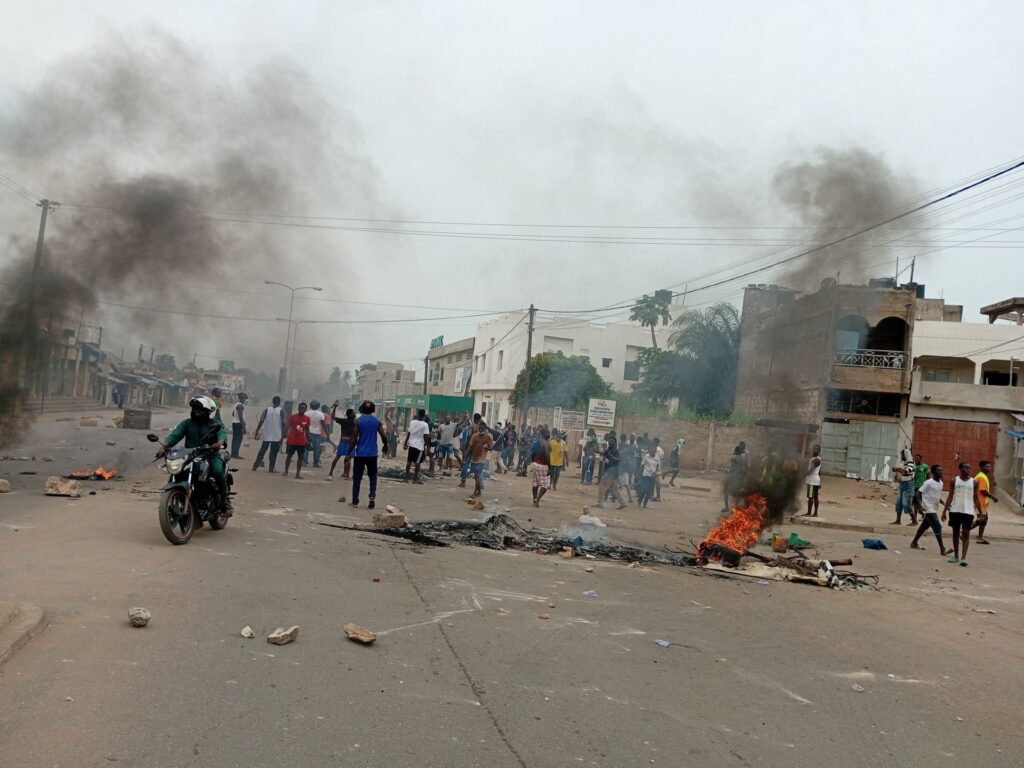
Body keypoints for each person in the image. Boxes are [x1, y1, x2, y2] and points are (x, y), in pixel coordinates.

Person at [156, 396, 231, 515]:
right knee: (177, 471)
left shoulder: (214, 424)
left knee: (217, 471)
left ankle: (224, 501)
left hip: (210, 455)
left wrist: (219, 443)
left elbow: (221, 433)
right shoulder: (187, 423)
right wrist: (164, 446)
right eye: (195, 409)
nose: (197, 411)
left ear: (208, 412)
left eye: (200, 409)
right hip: (190, 456)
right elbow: (175, 435)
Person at [350, 400, 388, 508]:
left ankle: (355, 500)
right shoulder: (377, 421)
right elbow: (384, 436)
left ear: (361, 409)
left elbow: (354, 439)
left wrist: (348, 453)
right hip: (372, 454)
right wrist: (386, 446)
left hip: (360, 454)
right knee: (373, 477)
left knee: (357, 477)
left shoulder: (357, 421)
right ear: (373, 410)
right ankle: (372, 497)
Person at [910, 464, 954, 556]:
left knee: (924, 526)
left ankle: (914, 542)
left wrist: (946, 505)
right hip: (928, 507)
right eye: (939, 471)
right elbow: (918, 493)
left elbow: (937, 496)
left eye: (942, 470)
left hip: (934, 507)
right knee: (937, 526)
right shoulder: (928, 482)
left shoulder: (941, 483)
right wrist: (920, 506)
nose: (941, 472)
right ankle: (943, 549)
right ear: (933, 472)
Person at [941, 462, 978, 566]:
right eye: (966, 468)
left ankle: (963, 558)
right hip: (955, 510)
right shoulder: (954, 480)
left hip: (968, 512)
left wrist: (980, 512)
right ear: (960, 469)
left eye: (969, 468)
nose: (968, 470)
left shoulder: (974, 482)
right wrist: (944, 511)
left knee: (966, 534)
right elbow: (950, 496)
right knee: (955, 534)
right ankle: (956, 556)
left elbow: (976, 498)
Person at [252, 395, 286, 472]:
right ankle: (271, 468)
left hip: (267, 434)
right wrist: (282, 436)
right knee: (273, 453)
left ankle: (255, 466)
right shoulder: (281, 411)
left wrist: (257, 431)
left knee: (262, 451)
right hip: (277, 435)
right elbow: (284, 423)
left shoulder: (267, 410)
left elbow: (261, 421)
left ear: (272, 402)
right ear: (280, 402)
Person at [596, 435, 627, 509]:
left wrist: (611, 456)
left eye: (612, 442)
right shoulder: (610, 449)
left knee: (602, 487)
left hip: (612, 472)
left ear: (614, 443)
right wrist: (595, 450)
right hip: (612, 472)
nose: (611, 443)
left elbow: (618, 459)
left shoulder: (615, 450)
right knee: (614, 489)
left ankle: (600, 503)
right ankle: (622, 503)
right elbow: (604, 453)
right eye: (610, 442)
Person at [974, 460, 999, 544]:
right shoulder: (981, 477)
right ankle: (964, 533)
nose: (989, 468)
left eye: (990, 466)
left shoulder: (982, 476)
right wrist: (993, 497)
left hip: (982, 502)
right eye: (987, 466)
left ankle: (979, 537)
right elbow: (983, 491)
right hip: (979, 502)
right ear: (981, 467)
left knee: (983, 519)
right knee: (981, 519)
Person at [283, 402, 310, 479]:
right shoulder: (292, 417)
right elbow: (287, 426)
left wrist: (309, 440)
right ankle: (286, 471)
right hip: (291, 440)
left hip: (301, 442)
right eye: (300, 408)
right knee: (289, 456)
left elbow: (307, 430)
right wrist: (283, 436)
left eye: (303, 408)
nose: (302, 409)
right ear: (298, 408)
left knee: (300, 457)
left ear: (305, 409)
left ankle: (297, 474)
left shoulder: (307, 419)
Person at [467, 422, 494, 498]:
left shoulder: (488, 436)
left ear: (485, 428)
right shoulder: (475, 435)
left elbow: (491, 447)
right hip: (474, 457)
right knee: (476, 476)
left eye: (482, 428)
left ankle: (475, 492)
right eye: (480, 427)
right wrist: (466, 455)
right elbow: (470, 446)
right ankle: (479, 492)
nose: (481, 429)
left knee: (478, 475)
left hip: (482, 458)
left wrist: (486, 447)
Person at [329, 405, 356, 479]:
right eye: (353, 413)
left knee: (337, 457)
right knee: (349, 459)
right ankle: (347, 475)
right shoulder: (355, 422)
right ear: (350, 414)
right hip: (350, 443)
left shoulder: (343, 421)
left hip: (342, 441)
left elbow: (333, 417)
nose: (355, 414)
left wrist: (335, 407)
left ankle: (331, 472)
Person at [403, 409, 430, 484]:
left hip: (411, 444)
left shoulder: (412, 422)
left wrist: (405, 443)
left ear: (418, 415)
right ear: (424, 416)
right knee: (417, 463)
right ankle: (415, 479)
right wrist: (427, 447)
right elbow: (426, 437)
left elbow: (409, 433)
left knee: (409, 461)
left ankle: (406, 478)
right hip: (419, 446)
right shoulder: (425, 424)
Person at [891, 449, 917, 525]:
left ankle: (914, 521)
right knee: (899, 503)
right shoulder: (903, 463)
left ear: (905, 455)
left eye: (902, 455)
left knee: (906, 503)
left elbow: (907, 471)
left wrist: (897, 469)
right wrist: (897, 469)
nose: (901, 456)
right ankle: (898, 520)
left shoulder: (911, 463)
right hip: (903, 483)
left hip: (909, 484)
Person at [530, 427, 552, 507]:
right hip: (543, 465)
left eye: (549, 432)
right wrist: (550, 467)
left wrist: (533, 462)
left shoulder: (537, 442)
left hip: (535, 464)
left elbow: (532, 453)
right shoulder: (546, 443)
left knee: (535, 483)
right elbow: (547, 456)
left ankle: (534, 499)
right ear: (543, 434)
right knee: (545, 485)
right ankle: (537, 500)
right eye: (547, 432)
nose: (549, 434)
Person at [724, 442, 748, 512]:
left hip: (734, 478)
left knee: (726, 491)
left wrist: (727, 471)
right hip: (741, 478)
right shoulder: (745, 460)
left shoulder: (734, 458)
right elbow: (746, 471)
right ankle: (737, 508)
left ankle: (726, 507)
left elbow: (733, 469)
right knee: (737, 494)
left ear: (736, 451)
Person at [305, 399, 326, 469]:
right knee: (317, 449)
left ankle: (304, 462)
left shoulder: (306, 413)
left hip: (308, 432)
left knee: (306, 447)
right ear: (318, 406)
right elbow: (323, 424)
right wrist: (327, 433)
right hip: (317, 433)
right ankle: (315, 463)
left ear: (310, 406)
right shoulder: (321, 414)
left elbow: (304, 423)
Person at [803, 444, 822, 517]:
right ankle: (814, 513)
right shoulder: (814, 458)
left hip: (812, 481)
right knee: (815, 496)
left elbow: (811, 470)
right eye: (814, 449)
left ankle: (810, 512)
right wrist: (819, 482)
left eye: (817, 449)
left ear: (819, 451)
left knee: (811, 496)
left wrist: (802, 476)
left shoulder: (817, 459)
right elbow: (818, 472)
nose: (815, 450)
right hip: (814, 480)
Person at [230, 393, 247, 459]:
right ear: (242, 399)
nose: (245, 400)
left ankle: (233, 454)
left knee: (235, 439)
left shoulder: (236, 404)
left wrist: (236, 418)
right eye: (245, 399)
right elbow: (240, 417)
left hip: (235, 423)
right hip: (238, 424)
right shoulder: (240, 406)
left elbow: (233, 414)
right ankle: (235, 454)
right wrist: (244, 427)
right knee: (238, 439)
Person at [912, 452, 929, 519]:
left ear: (921, 459)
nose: (916, 459)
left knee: (918, 500)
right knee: (915, 502)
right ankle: (920, 514)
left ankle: (918, 515)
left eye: (917, 458)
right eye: (915, 458)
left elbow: (927, 475)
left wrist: (927, 485)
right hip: (913, 485)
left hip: (921, 486)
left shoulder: (925, 466)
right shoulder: (913, 466)